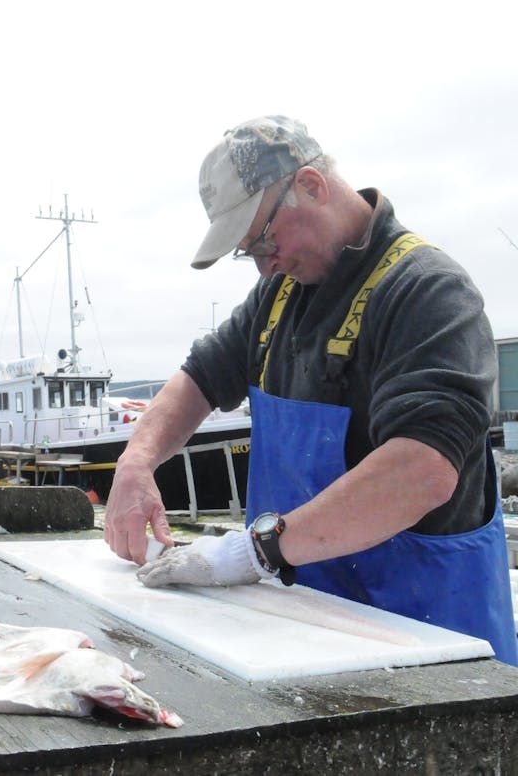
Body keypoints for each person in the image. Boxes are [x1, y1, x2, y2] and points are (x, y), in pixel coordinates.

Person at [104, 115, 516, 666]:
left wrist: (255, 552)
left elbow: (423, 470)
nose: (262, 266)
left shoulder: (427, 290)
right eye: (247, 253)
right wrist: (136, 463)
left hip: (430, 639)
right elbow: (199, 378)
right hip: (301, 629)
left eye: (264, 241)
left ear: (312, 187)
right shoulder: (279, 296)